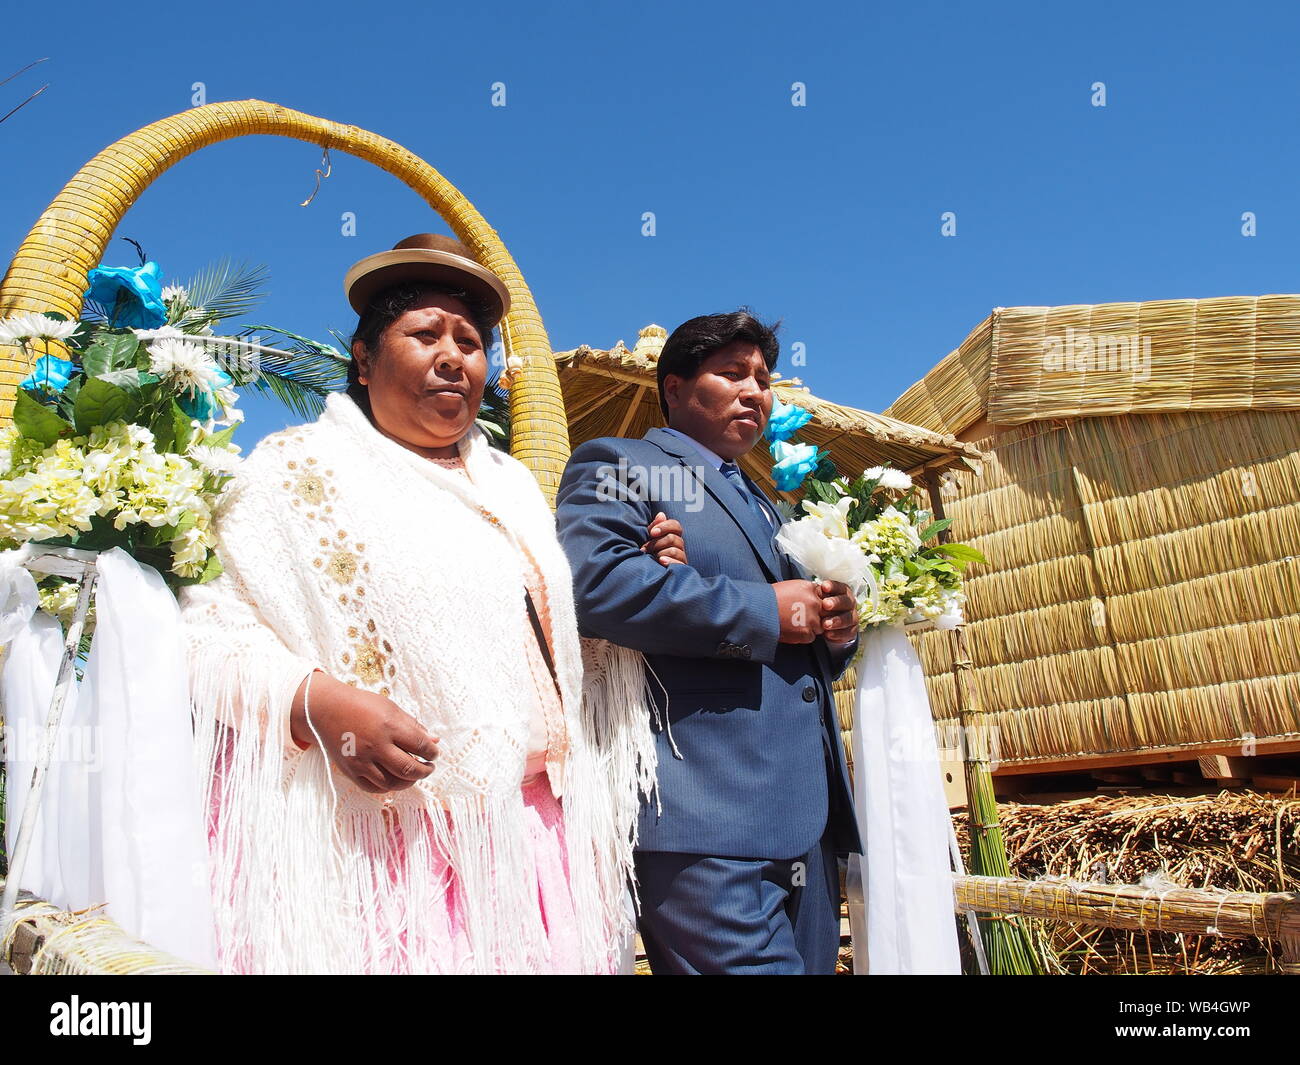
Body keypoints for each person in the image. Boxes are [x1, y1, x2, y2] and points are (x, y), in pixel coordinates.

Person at [179, 233, 668, 974]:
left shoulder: (512, 487)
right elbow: (204, 633)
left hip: (530, 841)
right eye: (425, 334)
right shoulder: (294, 472)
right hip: (384, 848)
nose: (454, 356)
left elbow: (549, 649)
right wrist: (317, 702)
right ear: (364, 359)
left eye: (471, 342)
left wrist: (643, 571)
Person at [555, 310, 864, 974]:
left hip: (805, 830)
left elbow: (798, 647)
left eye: (763, 378)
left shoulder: (770, 505)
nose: (755, 391)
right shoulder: (624, 463)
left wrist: (835, 630)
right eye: (732, 374)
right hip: (706, 823)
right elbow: (596, 585)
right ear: (673, 387)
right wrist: (764, 610)